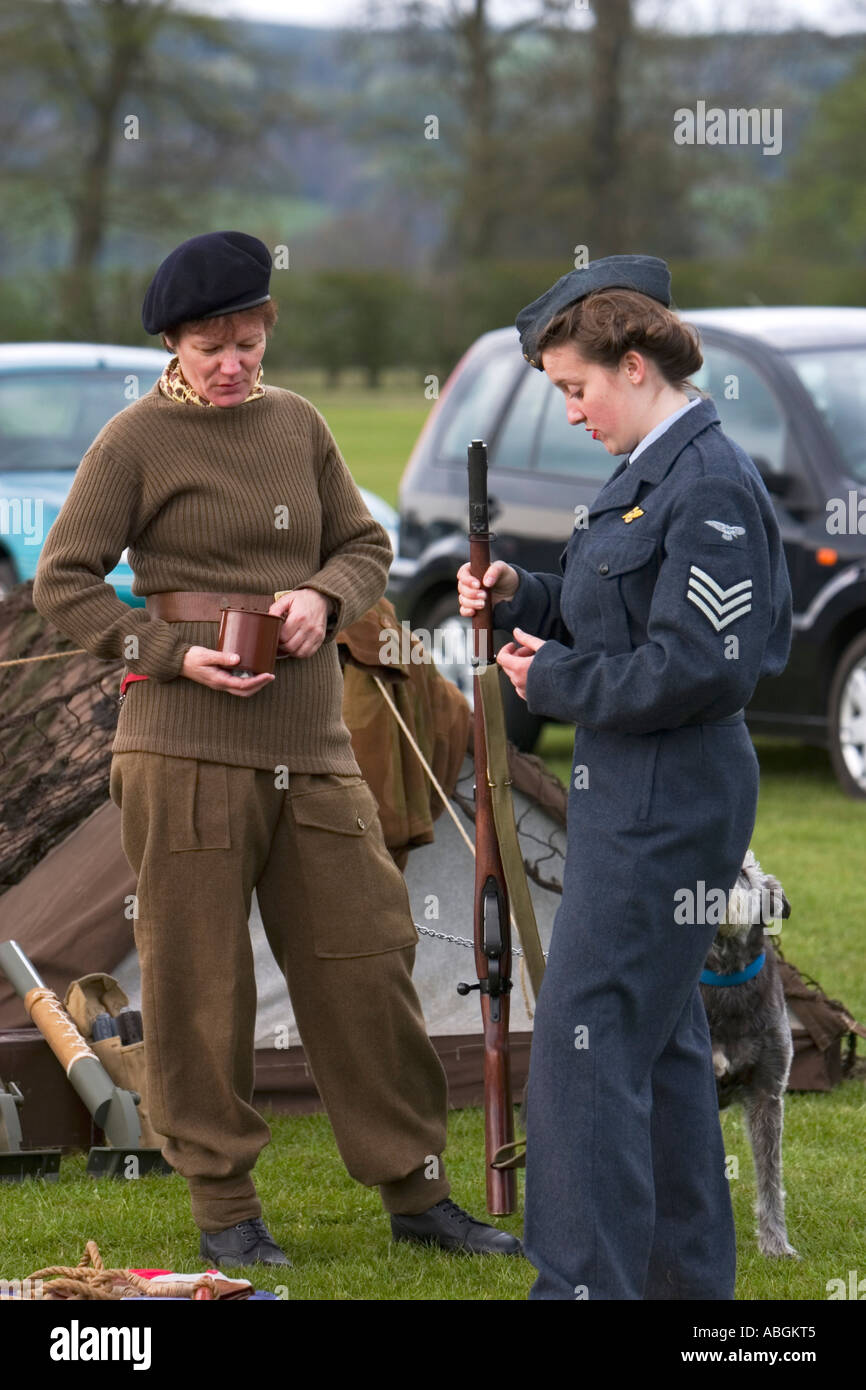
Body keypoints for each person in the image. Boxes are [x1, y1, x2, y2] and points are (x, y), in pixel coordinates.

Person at [33, 230, 521, 1267]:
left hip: (314, 740)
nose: (232, 364)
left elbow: (365, 544)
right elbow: (62, 581)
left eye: (248, 342)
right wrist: (168, 651)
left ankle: (417, 1193)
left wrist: (319, 595)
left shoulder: (297, 424)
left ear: (266, 331)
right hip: (180, 751)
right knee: (198, 985)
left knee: (366, 960)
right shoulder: (131, 442)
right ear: (173, 342)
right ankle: (226, 1213)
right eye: (212, 346)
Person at [457, 254, 792, 1300]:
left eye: (574, 387)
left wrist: (553, 678)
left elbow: (705, 663)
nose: (568, 411)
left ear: (634, 363)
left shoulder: (707, 483)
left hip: (666, 794)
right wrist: (526, 595)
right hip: (638, 790)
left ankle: (581, 1288)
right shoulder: (653, 467)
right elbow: (628, 615)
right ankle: (684, 1292)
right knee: (655, 1044)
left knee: (582, 1046)